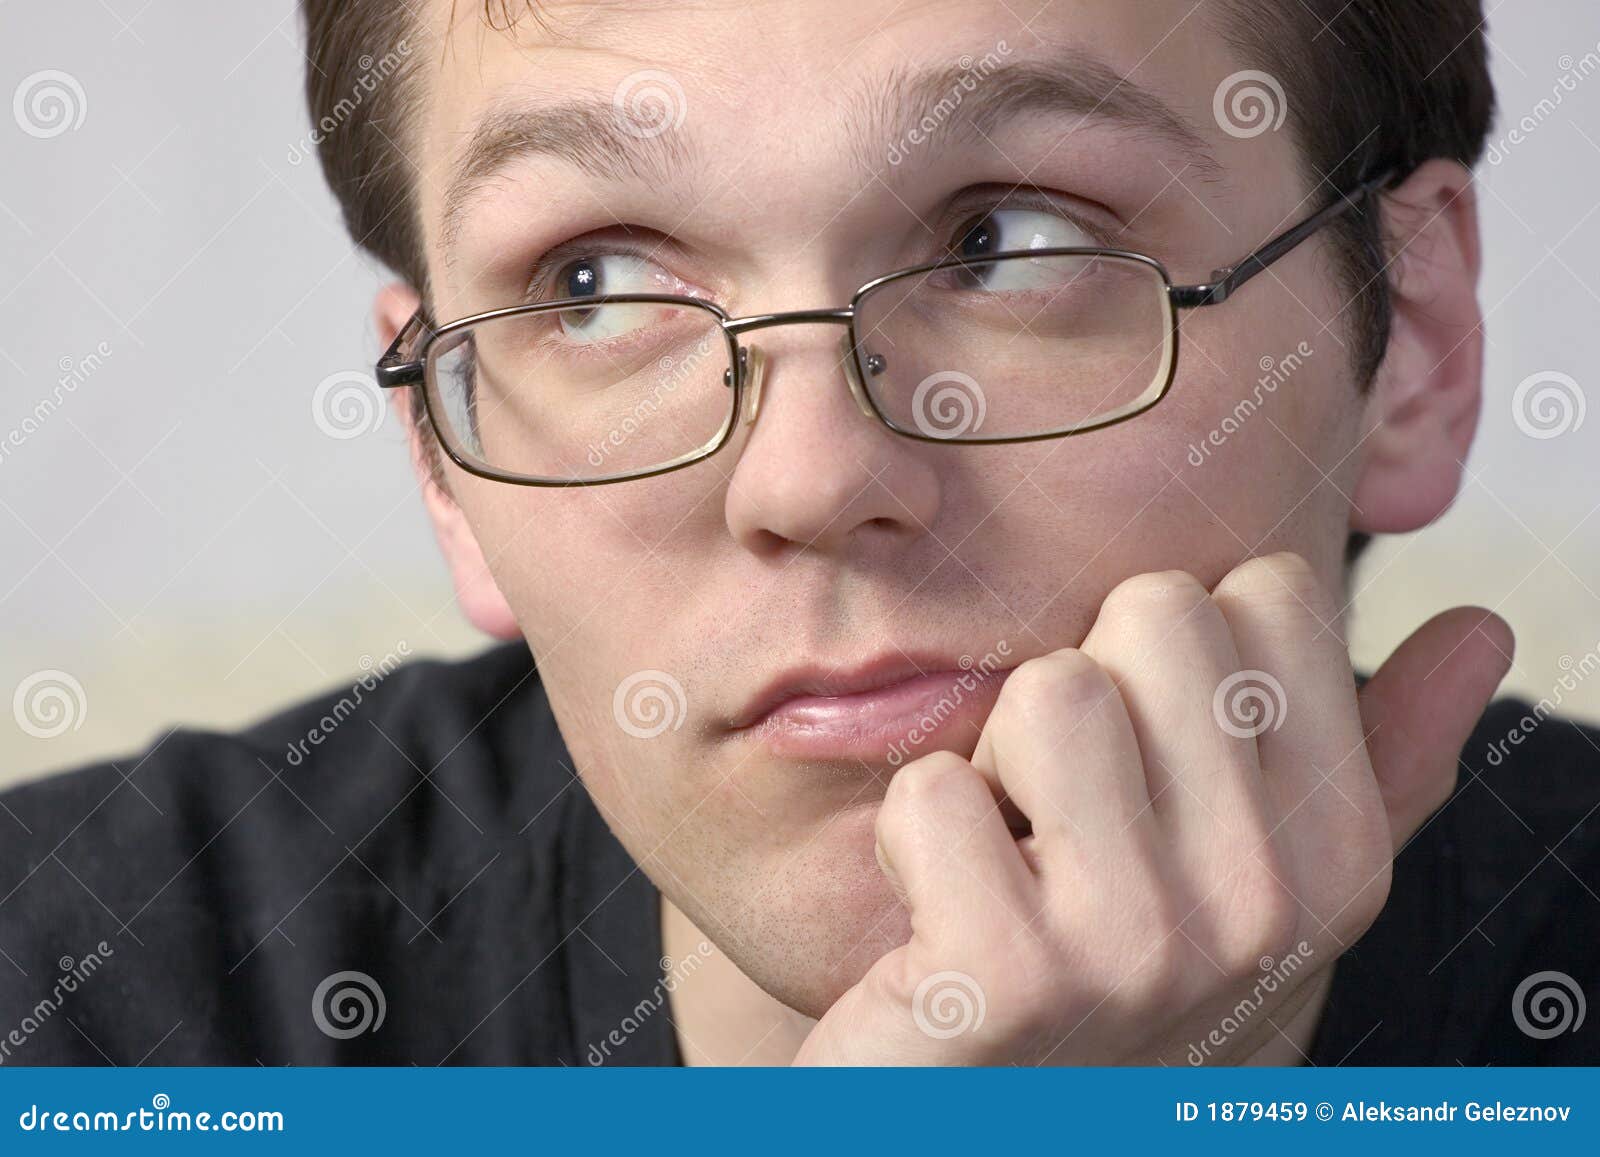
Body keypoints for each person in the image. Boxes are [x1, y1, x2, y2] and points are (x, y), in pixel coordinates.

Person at [4, 0, 1597, 1066]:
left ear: (1418, 346)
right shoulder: (78, 1004)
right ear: (444, 458)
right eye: (597, 288)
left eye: (1012, 238)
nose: (812, 476)